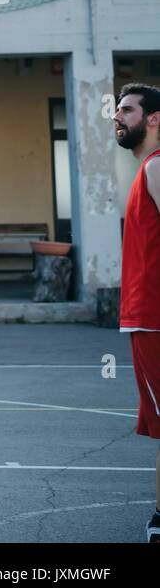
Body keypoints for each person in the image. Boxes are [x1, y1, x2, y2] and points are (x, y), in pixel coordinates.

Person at [113, 82, 160, 542]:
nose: (118, 116)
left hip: (154, 318)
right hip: (146, 318)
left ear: (153, 118)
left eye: (127, 109)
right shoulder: (147, 169)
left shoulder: (157, 167)